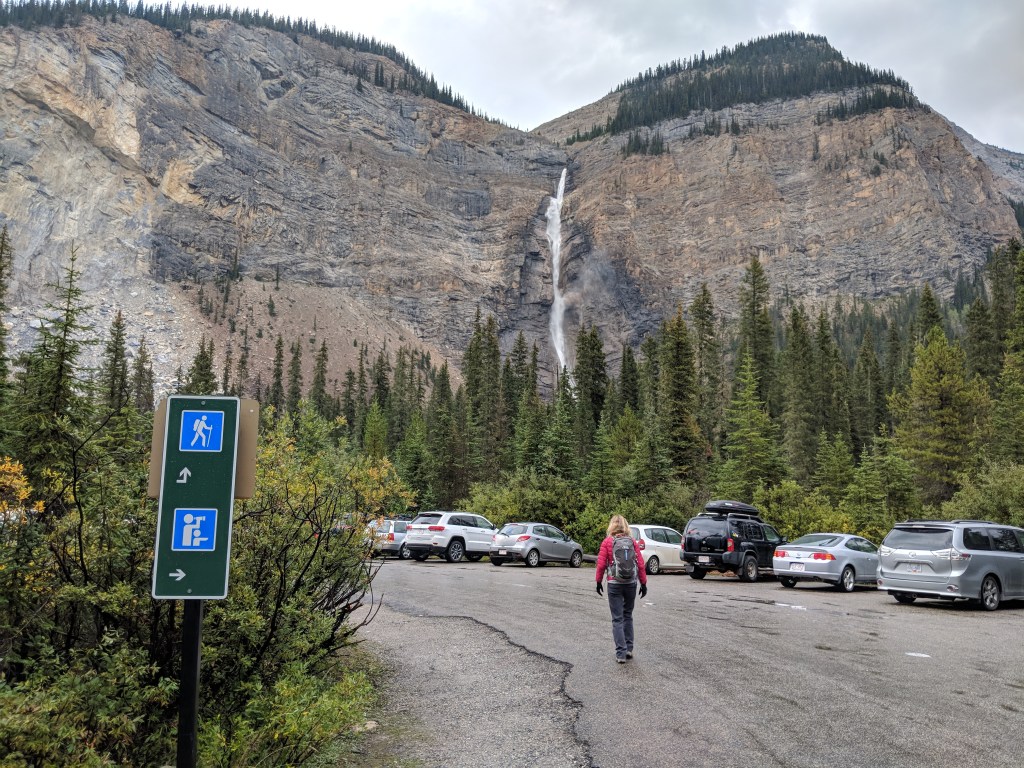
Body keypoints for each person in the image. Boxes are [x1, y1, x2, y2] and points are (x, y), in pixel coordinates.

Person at [595, 514, 647, 663]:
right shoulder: (632, 541)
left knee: (617, 619)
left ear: (611, 526)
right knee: (628, 615)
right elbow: (640, 564)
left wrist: (598, 581)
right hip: (631, 583)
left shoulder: (607, 542)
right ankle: (629, 649)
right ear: (626, 526)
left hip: (614, 583)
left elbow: (601, 564)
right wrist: (643, 583)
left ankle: (620, 654)